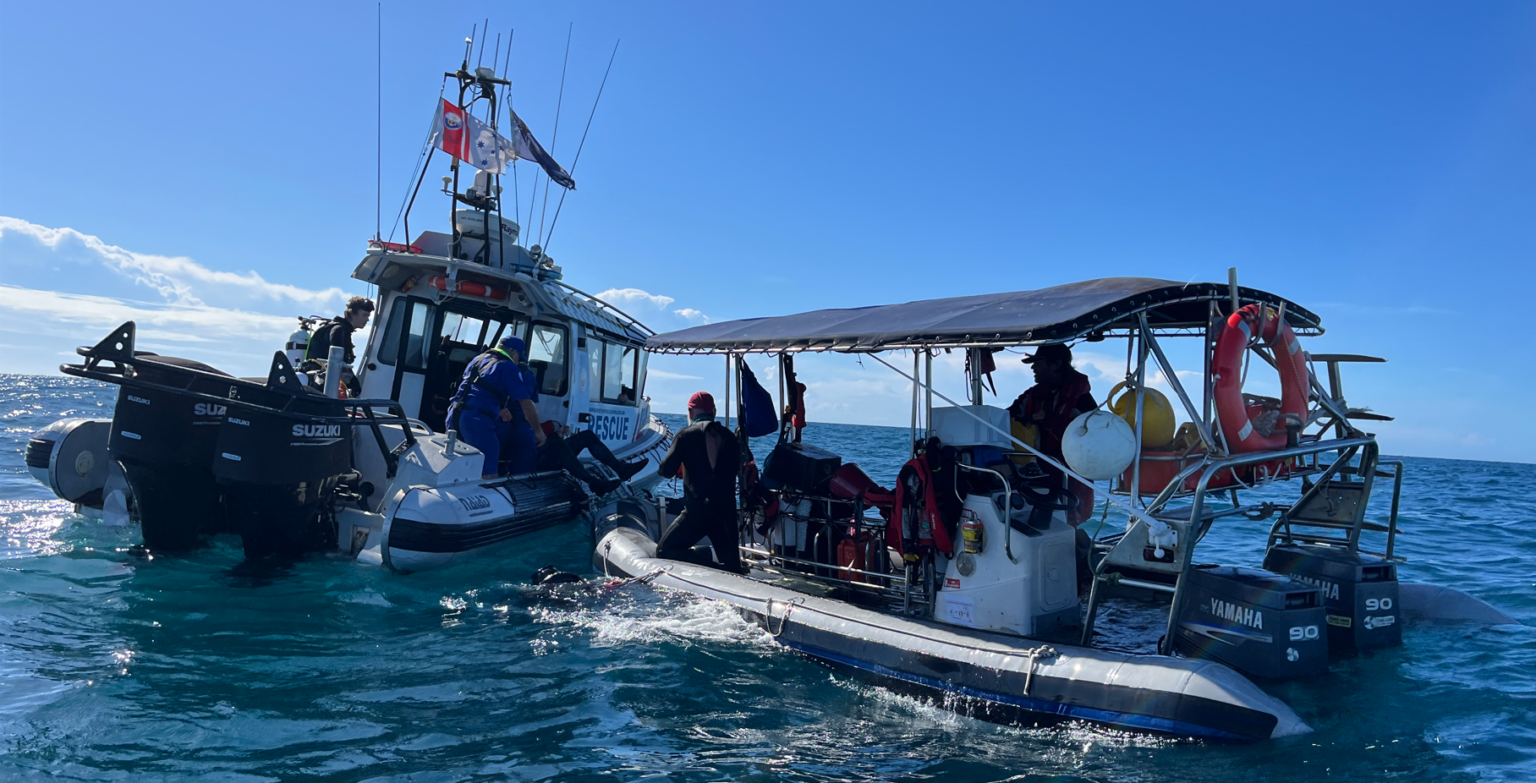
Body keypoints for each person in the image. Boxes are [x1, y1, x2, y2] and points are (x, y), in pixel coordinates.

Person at [1008, 343, 1096, 527]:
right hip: (1037, 472)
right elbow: (1003, 418)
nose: (1033, 367)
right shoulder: (1031, 396)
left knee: (1067, 525)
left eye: (1038, 362)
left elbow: (1096, 433)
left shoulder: (1082, 399)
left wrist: (1052, 420)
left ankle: (1075, 547)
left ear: (1055, 364)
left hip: (1071, 472)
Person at [656, 392, 744, 573]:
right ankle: (727, 570)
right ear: (713, 411)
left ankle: (713, 569)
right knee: (735, 568)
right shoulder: (731, 437)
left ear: (690, 412)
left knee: (665, 550)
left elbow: (665, 471)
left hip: (697, 512)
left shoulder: (685, 435)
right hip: (725, 513)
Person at [445, 336, 545, 479]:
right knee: (489, 474)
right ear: (513, 352)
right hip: (477, 421)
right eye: (519, 358)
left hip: (454, 415)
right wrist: (538, 431)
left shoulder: (478, 359)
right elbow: (526, 403)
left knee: (458, 466)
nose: (518, 362)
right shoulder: (507, 366)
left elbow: (475, 390)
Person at [535, 421, 647, 496]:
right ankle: (594, 483)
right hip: (535, 461)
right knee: (557, 445)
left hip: (543, 453)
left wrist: (557, 434)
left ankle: (621, 469)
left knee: (587, 436)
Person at [306, 296, 375, 366]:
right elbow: (337, 361)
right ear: (352, 313)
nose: (367, 319)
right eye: (364, 315)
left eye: (368, 316)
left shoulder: (340, 329)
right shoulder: (339, 330)